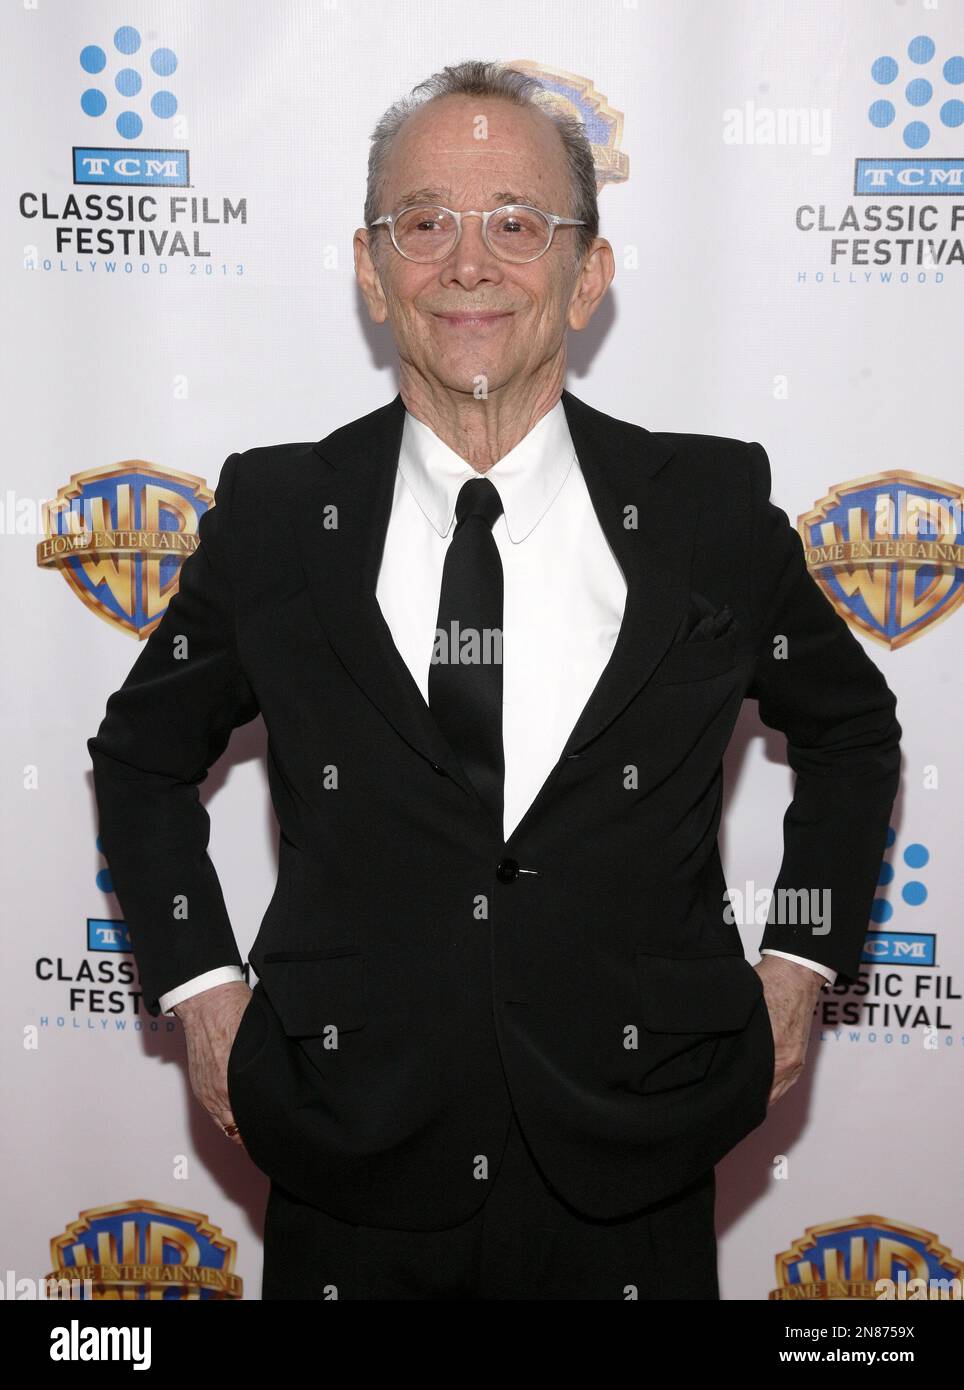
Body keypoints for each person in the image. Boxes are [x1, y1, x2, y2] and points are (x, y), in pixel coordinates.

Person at [87, 60, 902, 1300]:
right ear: (370, 269)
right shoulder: (274, 515)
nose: (470, 264)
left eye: (520, 225)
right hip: (345, 1149)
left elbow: (851, 728)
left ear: (590, 275)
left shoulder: (709, 512)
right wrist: (201, 990)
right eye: (425, 223)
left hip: (635, 1154)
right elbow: (141, 756)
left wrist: (800, 964)